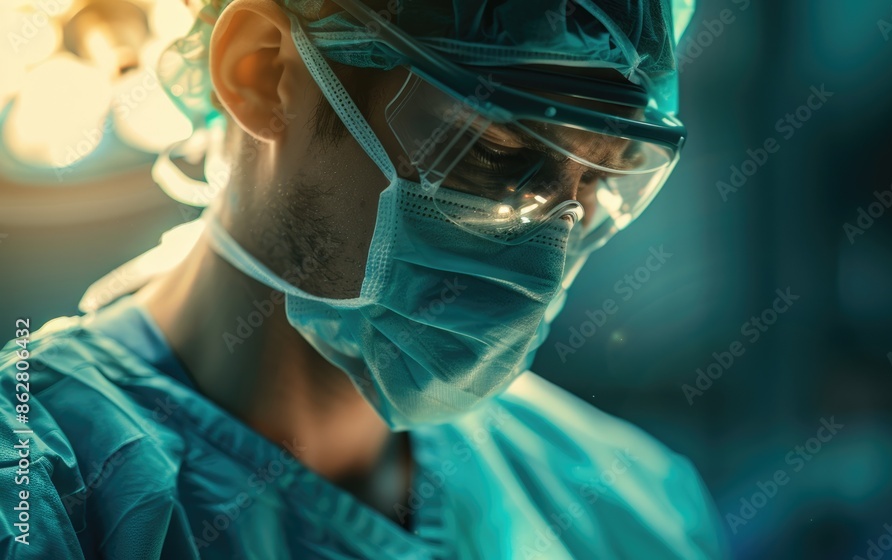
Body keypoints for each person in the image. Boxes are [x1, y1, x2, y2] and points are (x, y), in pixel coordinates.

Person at [0, 0, 726, 558]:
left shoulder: (627, 501)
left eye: (605, 174)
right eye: (495, 153)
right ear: (263, 74)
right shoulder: (41, 489)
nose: (548, 241)